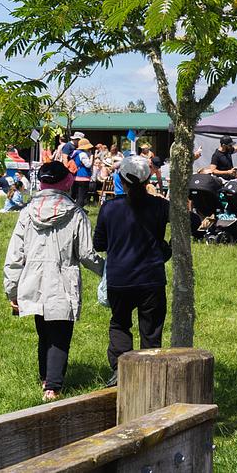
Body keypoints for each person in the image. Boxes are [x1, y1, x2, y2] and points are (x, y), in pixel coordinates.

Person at [3, 161, 103, 401]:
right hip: (63, 281)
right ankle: (53, 386)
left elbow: (15, 255)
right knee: (60, 334)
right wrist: (108, 270)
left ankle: (46, 378)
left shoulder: (27, 212)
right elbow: (87, 254)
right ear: (66, 182)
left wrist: (12, 289)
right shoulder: (76, 213)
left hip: (33, 280)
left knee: (45, 332)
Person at [93, 155, 171, 382]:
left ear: (122, 180)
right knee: (151, 330)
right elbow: (190, 222)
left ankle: (120, 368)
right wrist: (166, 249)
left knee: (120, 322)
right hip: (151, 277)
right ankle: (150, 373)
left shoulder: (109, 208)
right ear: (148, 179)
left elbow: (99, 244)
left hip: (120, 277)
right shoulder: (160, 206)